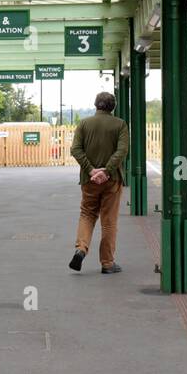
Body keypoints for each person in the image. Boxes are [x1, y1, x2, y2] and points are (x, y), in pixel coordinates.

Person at [69, 91, 129, 275]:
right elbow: (122, 151)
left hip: (89, 180)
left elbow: (75, 149)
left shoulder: (84, 124)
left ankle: (81, 249)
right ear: (113, 107)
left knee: (87, 214)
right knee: (109, 221)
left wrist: (91, 170)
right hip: (112, 181)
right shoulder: (120, 125)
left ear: (96, 105)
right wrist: (107, 171)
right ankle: (107, 263)